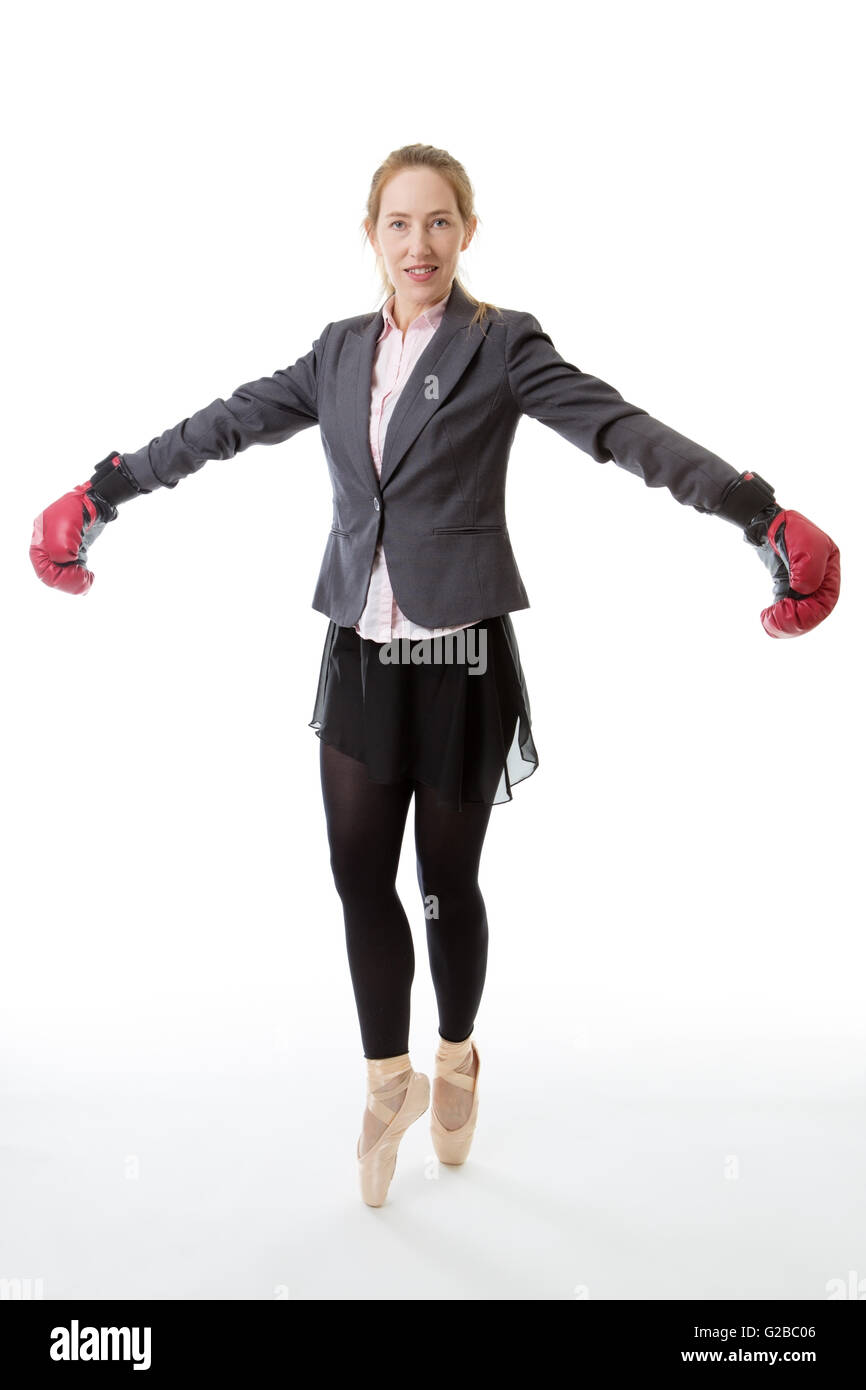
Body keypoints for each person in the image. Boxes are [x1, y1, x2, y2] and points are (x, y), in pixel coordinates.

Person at [29, 143, 841, 1208]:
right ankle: (387, 1082)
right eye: (399, 224)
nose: (419, 244)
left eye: (440, 223)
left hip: (460, 658)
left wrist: (755, 510)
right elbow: (220, 426)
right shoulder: (334, 353)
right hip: (359, 652)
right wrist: (104, 492)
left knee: (444, 887)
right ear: (368, 235)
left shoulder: (499, 345)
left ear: (466, 233)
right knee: (356, 877)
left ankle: (455, 1055)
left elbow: (618, 429)